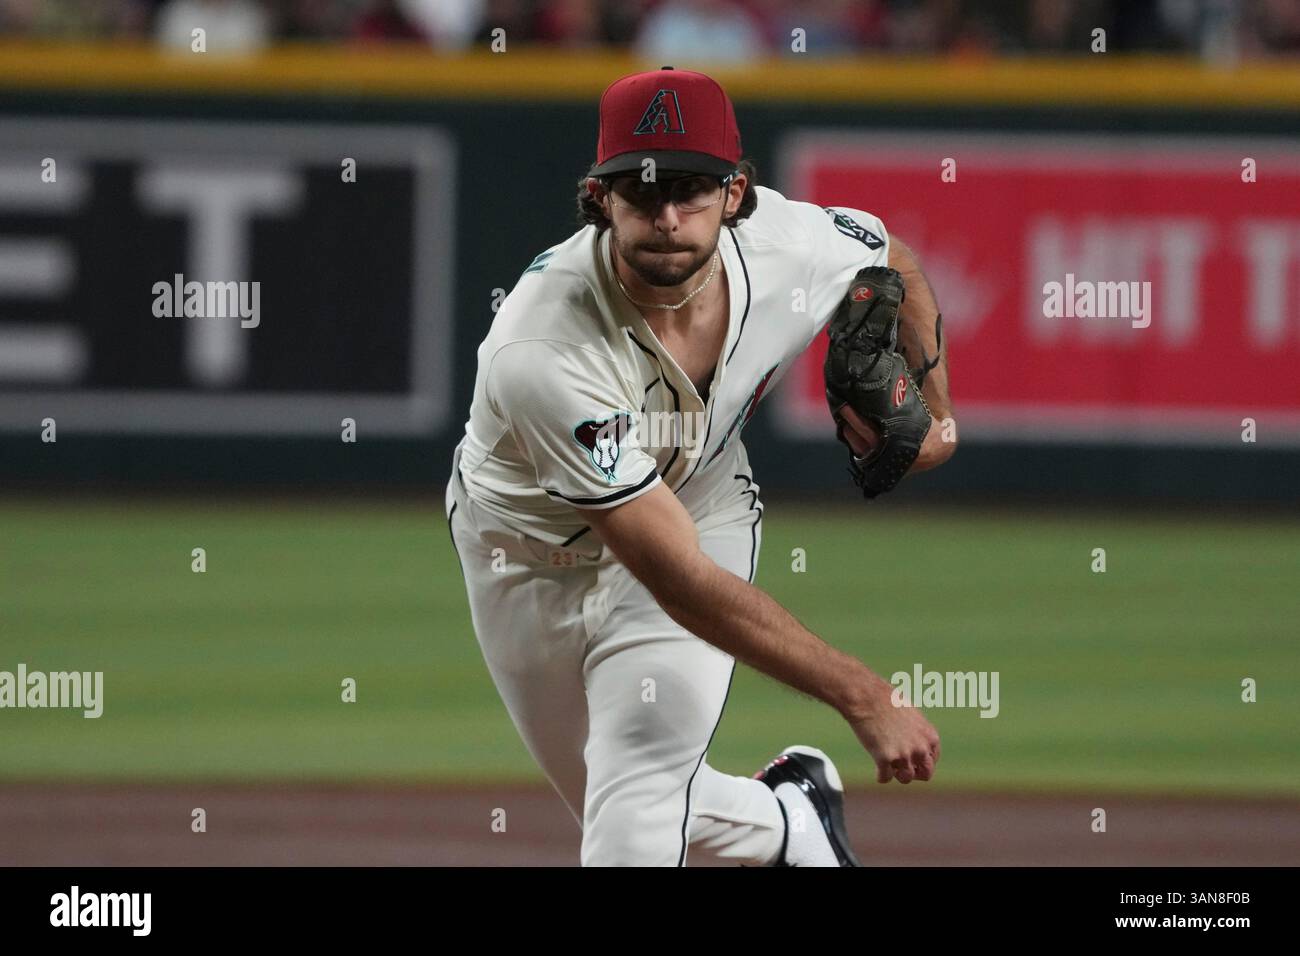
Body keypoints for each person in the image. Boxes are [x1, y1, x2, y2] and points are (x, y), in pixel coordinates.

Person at [446, 66, 954, 866]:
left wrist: (939, 422)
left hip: (700, 505)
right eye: (640, 191)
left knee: (637, 803)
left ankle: (774, 819)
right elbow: (674, 578)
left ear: (736, 193)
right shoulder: (543, 347)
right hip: (524, 555)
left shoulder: (786, 247)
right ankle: (788, 820)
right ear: (598, 198)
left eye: (689, 189)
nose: (667, 216)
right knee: (620, 789)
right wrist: (863, 694)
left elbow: (889, 253)